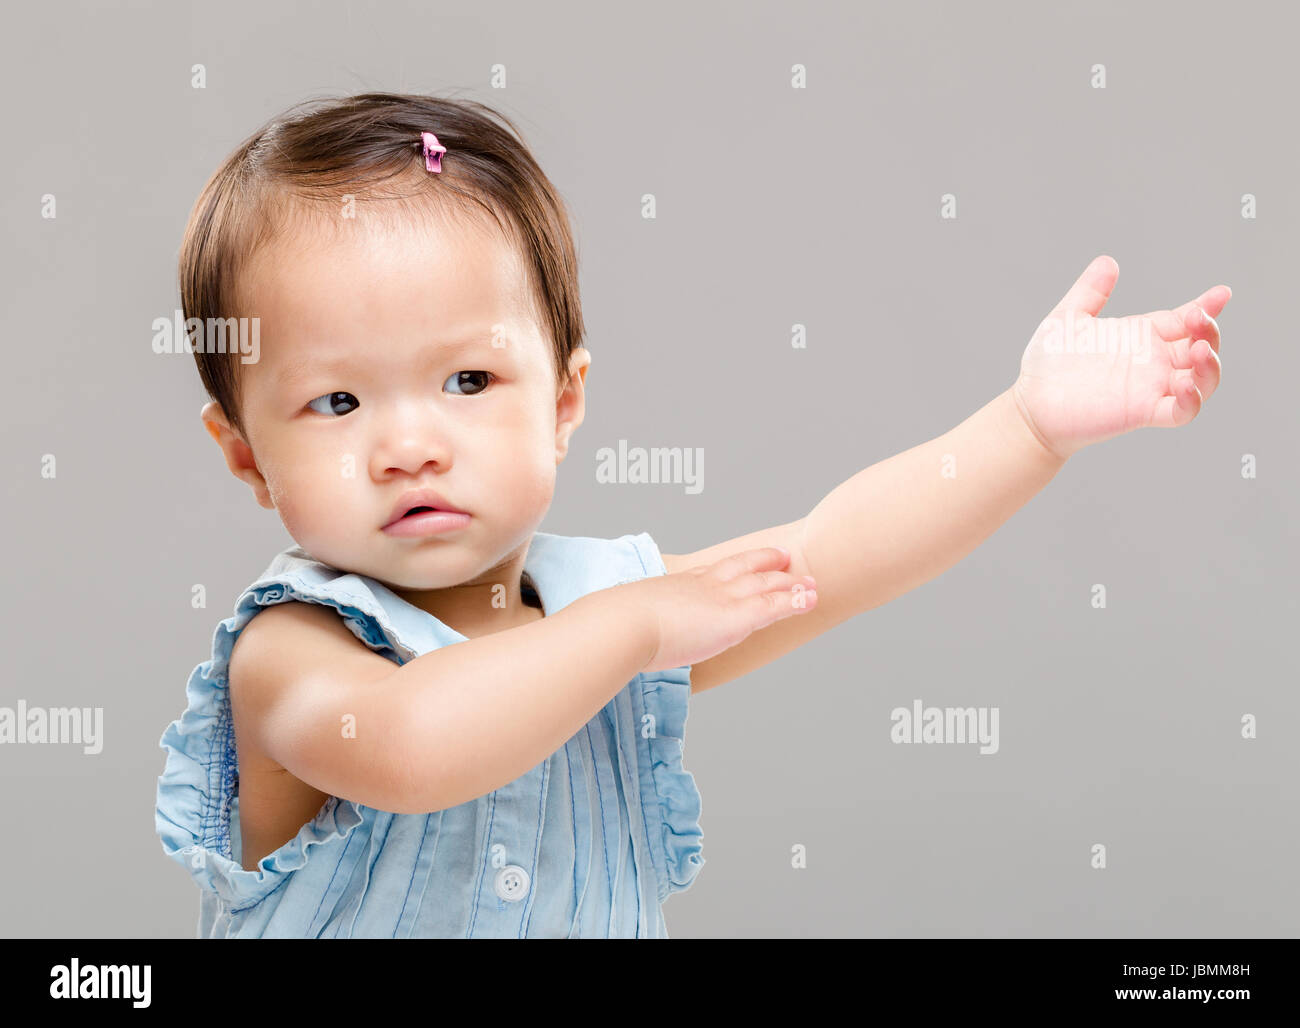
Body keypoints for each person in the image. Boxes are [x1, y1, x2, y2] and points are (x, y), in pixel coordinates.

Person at [155, 91, 1228, 938]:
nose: (410, 442)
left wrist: (1027, 426)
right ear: (248, 453)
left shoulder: (607, 596)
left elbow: (831, 555)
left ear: (564, 401)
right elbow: (417, 739)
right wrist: (638, 627)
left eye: (469, 380)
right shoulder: (292, 651)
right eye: (338, 401)